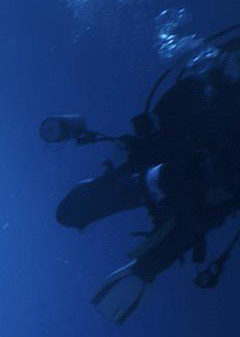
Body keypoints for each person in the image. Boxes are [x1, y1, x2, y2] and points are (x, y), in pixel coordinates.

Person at [49, 37, 240, 321]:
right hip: (184, 186)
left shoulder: (200, 97)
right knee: (177, 202)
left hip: (183, 186)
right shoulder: (200, 100)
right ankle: (143, 262)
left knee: (174, 200)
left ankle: (143, 261)